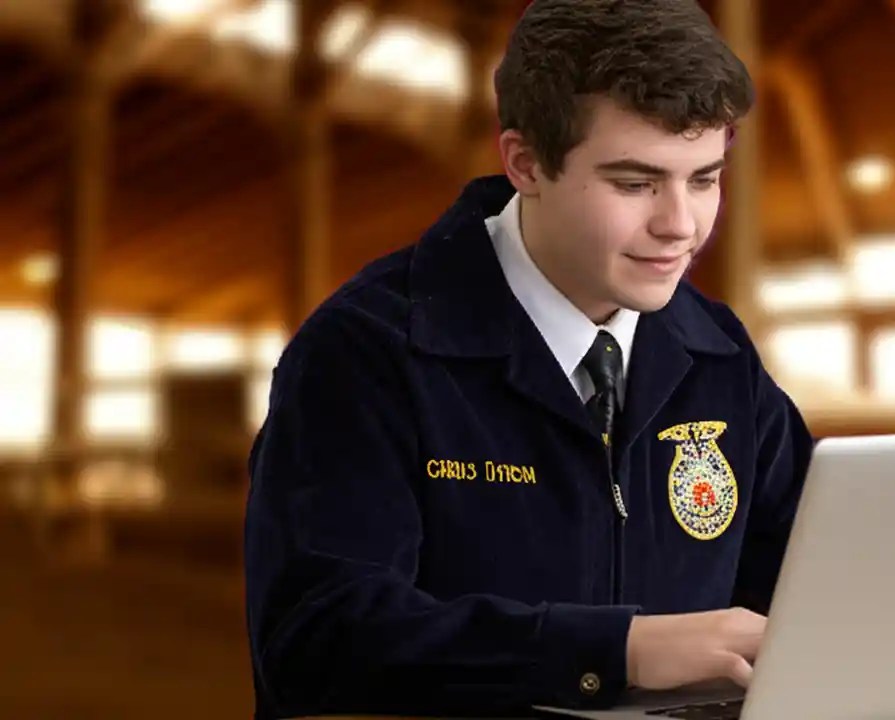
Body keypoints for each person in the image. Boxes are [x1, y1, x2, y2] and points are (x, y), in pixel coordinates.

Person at [242, 0, 814, 717]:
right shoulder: (364, 353)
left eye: (703, 179)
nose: (681, 225)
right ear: (526, 162)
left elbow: (811, 581)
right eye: (634, 183)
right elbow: (316, 642)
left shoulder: (720, 354)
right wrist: (617, 651)